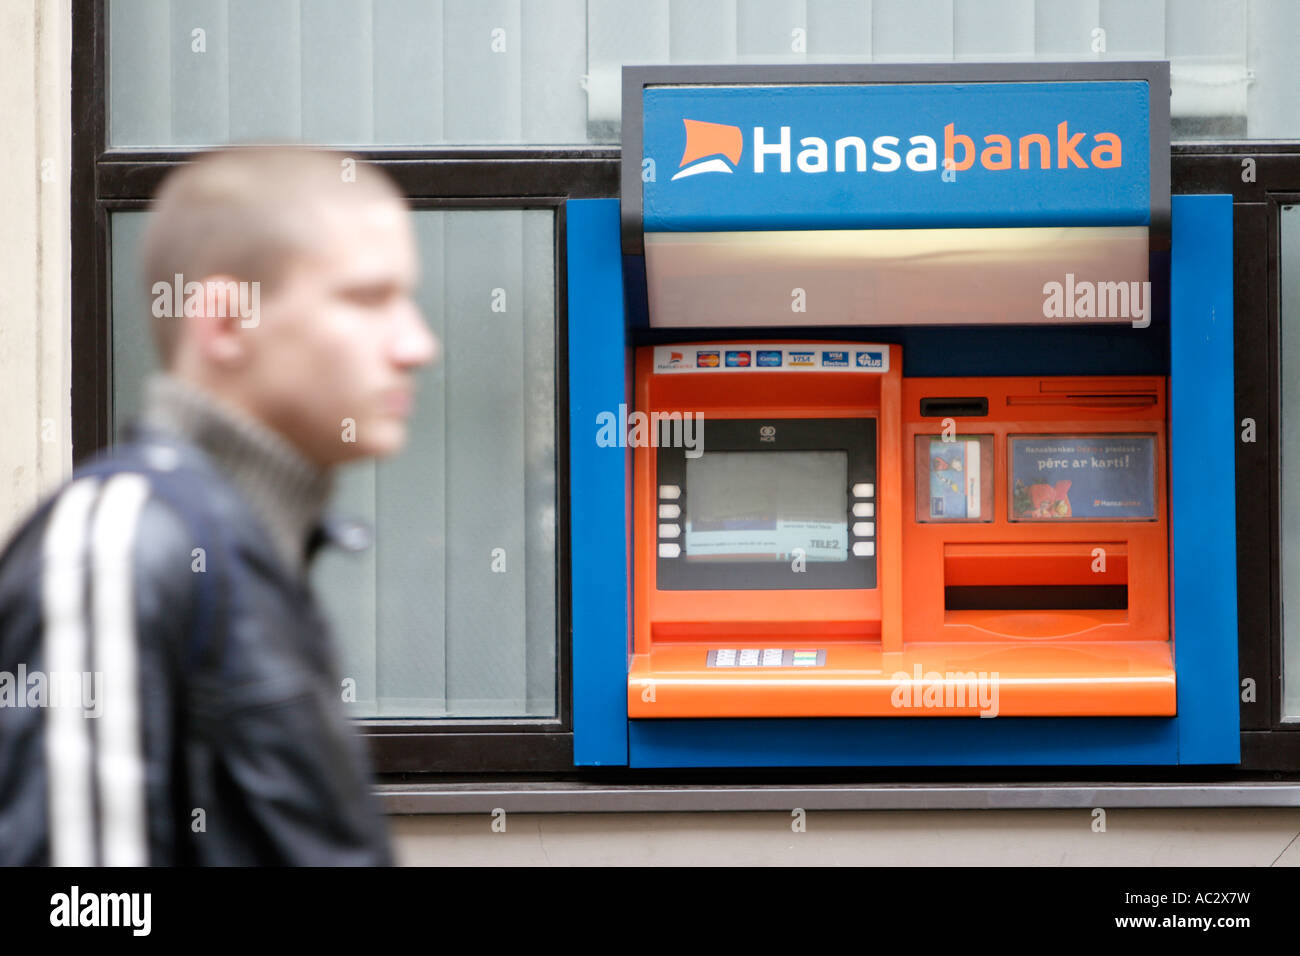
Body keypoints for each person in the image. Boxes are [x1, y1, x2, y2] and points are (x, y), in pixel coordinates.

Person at [0, 146, 439, 865]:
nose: (416, 344)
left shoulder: (254, 547)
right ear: (226, 322)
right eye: (367, 299)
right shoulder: (117, 541)